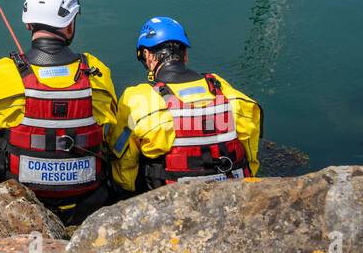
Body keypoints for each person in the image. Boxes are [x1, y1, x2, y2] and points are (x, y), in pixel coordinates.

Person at [0, 0, 117, 223]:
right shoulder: (97, 72)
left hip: (20, 201)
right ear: (70, 23)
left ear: (28, 22)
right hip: (87, 202)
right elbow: (112, 129)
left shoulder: (1, 73)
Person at [111, 17, 262, 194]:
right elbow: (250, 154)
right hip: (233, 195)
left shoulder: (138, 99)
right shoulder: (225, 91)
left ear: (148, 56)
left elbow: (123, 162)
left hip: (172, 203)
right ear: (185, 56)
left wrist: (125, 193)